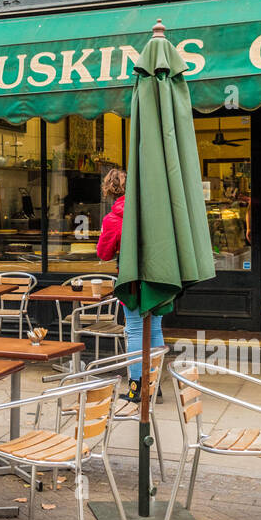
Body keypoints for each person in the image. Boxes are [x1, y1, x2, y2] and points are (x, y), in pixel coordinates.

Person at [96, 167, 163, 403]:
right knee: (154, 329)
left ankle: (137, 387)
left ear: (110, 190)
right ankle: (154, 383)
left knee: (134, 329)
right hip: (157, 278)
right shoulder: (151, 213)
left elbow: (103, 254)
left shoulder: (112, 219)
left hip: (132, 281)